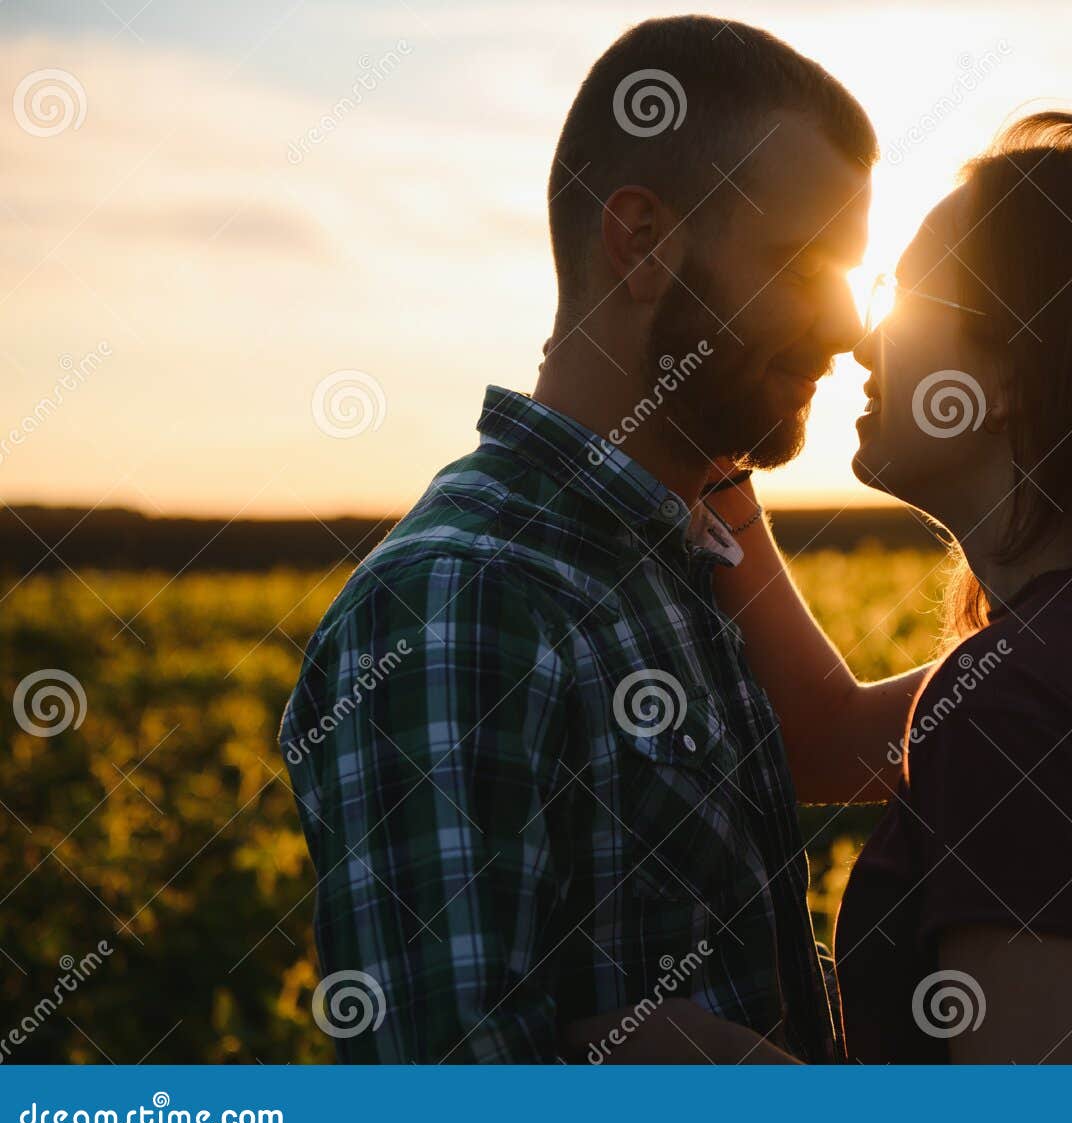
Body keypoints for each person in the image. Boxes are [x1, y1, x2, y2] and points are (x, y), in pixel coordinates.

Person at [278, 15, 919, 1063]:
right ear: (641, 242)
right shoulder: (466, 604)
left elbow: (833, 735)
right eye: (802, 263)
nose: (851, 327)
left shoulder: (689, 535)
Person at [704, 111, 1072, 1062]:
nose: (859, 342)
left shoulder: (1016, 706)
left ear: (1012, 373)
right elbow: (826, 739)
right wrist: (718, 465)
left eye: (910, 295)